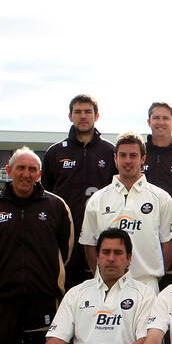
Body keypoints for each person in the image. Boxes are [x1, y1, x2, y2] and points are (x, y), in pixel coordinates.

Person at [0, 147, 74, 344]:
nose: (26, 174)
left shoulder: (56, 206)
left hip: (44, 300)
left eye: (32, 169)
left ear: (39, 174)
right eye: (20, 168)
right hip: (2, 301)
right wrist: (1, 278)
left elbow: (66, 251)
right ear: (9, 170)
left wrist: (43, 276)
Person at [79, 131, 172, 293]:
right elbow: (89, 244)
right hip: (108, 285)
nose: (128, 161)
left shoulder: (161, 197)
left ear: (143, 159)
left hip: (146, 284)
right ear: (115, 159)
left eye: (133, 155)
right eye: (123, 155)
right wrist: (102, 276)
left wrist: (156, 274)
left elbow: (169, 241)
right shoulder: (98, 198)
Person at [42, 94, 116, 288]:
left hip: (101, 235)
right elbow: (45, 197)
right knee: (67, 295)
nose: (83, 116)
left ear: (96, 116)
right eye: (78, 112)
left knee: (102, 293)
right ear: (70, 116)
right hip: (65, 236)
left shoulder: (111, 152)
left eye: (88, 112)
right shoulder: (55, 153)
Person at [41, 228, 156, 344]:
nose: (111, 258)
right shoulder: (76, 293)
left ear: (129, 258)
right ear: (97, 257)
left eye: (118, 253)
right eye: (106, 252)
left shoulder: (145, 294)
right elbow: (56, 340)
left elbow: (144, 342)